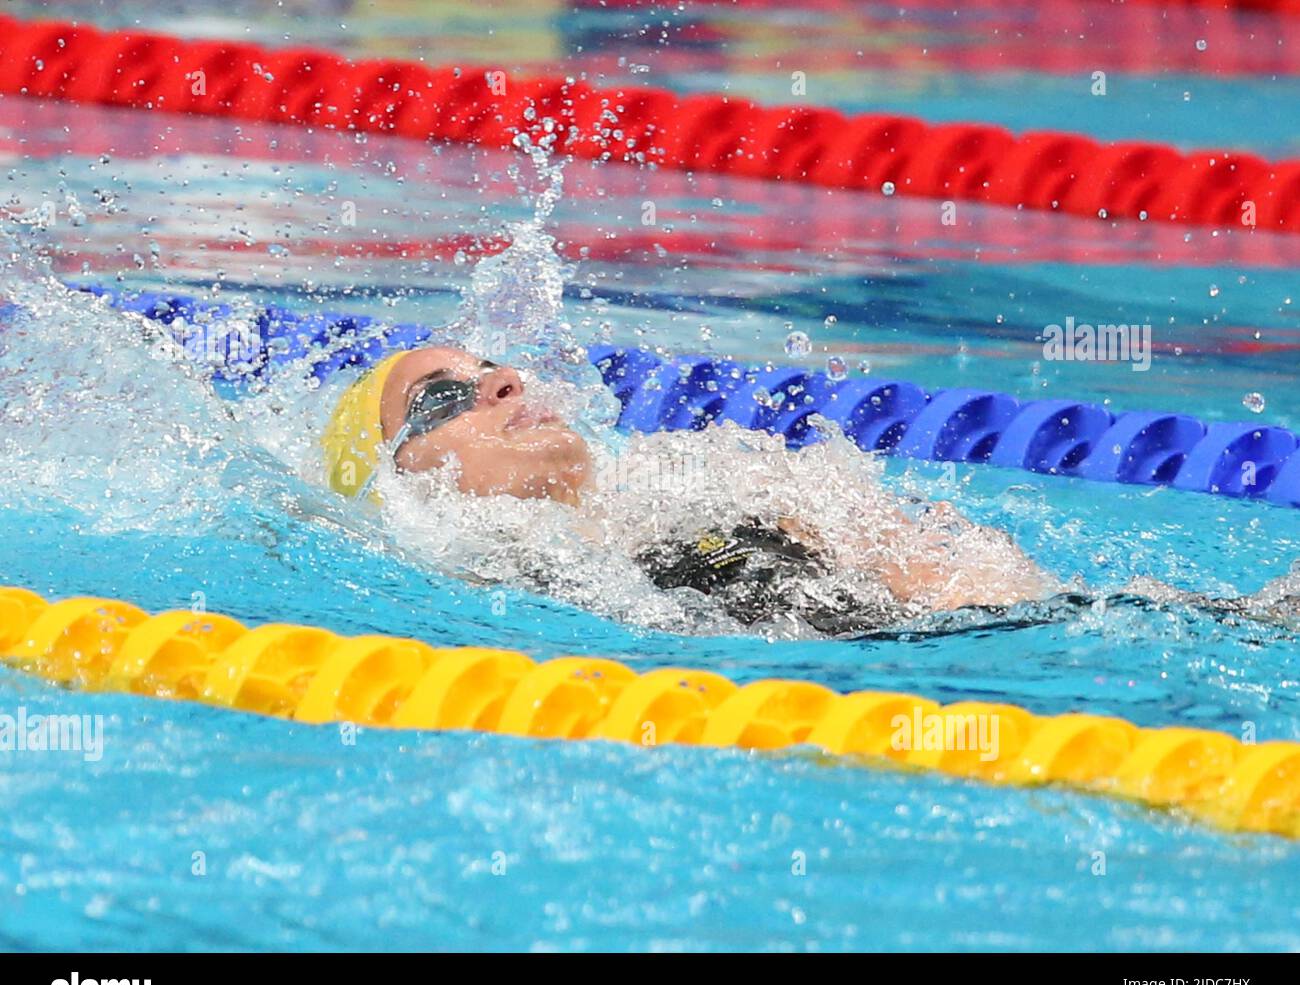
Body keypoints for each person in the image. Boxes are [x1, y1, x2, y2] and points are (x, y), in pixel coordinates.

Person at [321, 346, 1296, 636]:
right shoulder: (455, 574)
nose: (505, 383)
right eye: (443, 394)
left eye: (498, 365)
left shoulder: (694, 476)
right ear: (401, 475)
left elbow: (964, 580)